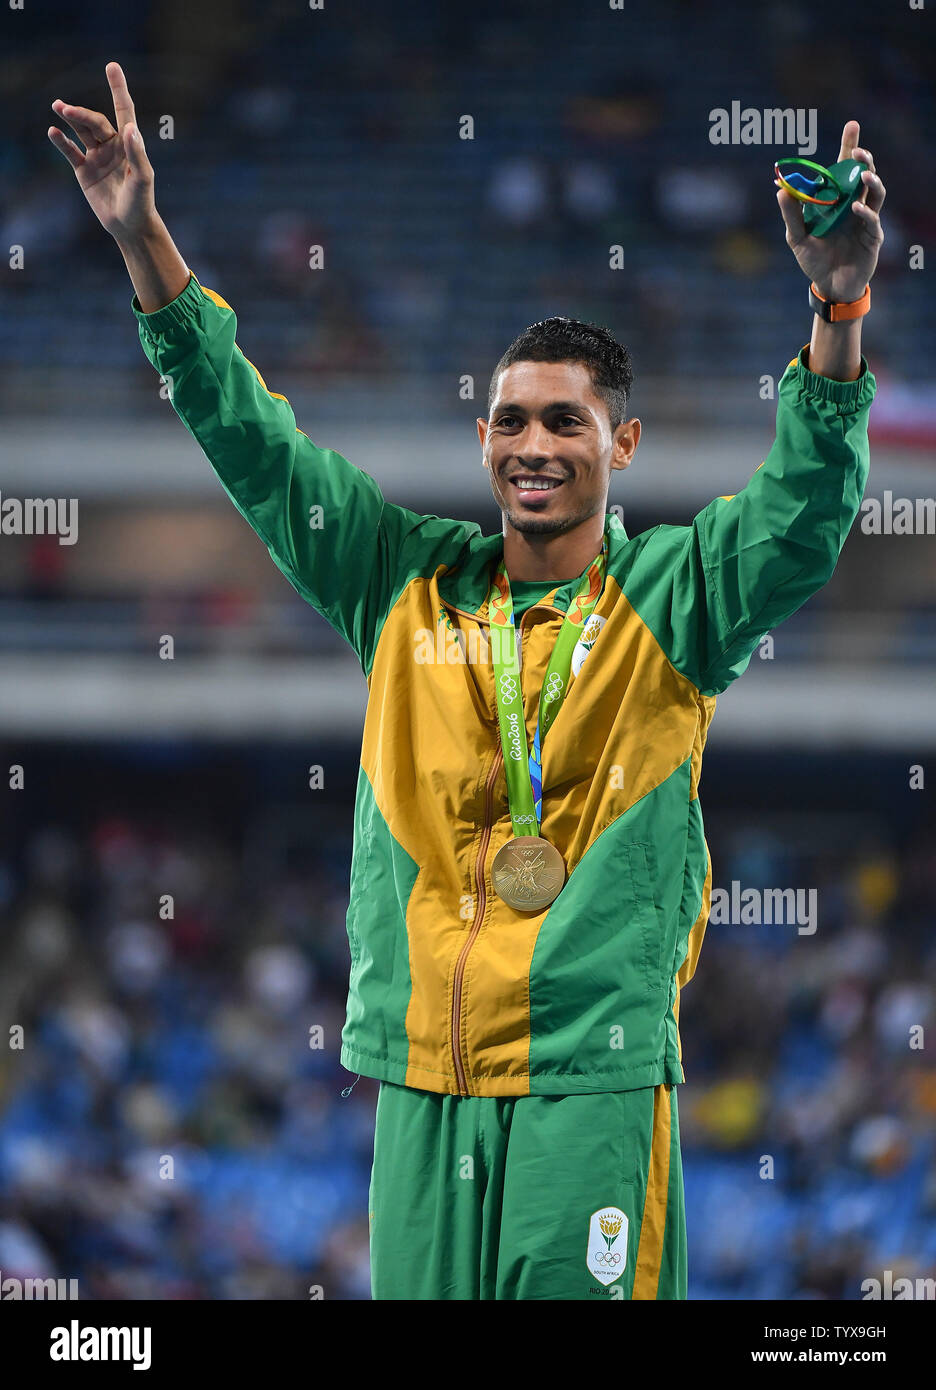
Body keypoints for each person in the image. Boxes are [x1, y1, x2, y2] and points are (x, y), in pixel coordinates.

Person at [49, 63, 885, 1301]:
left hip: (587, 1083)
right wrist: (143, 238)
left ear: (623, 444)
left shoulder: (675, 597)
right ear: (480, 438)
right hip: (419, 1082)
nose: (532, 446)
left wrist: (840, 304)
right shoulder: (399, 582)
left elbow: (805, 512)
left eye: (564, 421)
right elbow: (254, 440)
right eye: (509, 421)